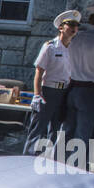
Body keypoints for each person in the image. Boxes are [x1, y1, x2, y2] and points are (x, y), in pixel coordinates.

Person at [60, 2, 94, 152]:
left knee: (66, 137)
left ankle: (59, 171)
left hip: (72, 89)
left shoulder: (76, 37)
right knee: (83, 141)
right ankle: (76, 174)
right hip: (89, 93)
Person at [24, 10, 78, 154]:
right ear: (61, 27)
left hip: (64, 92)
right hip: (48, 90)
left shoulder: (74, 48)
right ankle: (27, 158)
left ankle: (49, 160)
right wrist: (37, 94)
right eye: (70, 24)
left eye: (76, 25)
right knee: (38, 129)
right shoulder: (50, 46)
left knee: (56, 129)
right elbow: (39, 71)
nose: (74, 28)